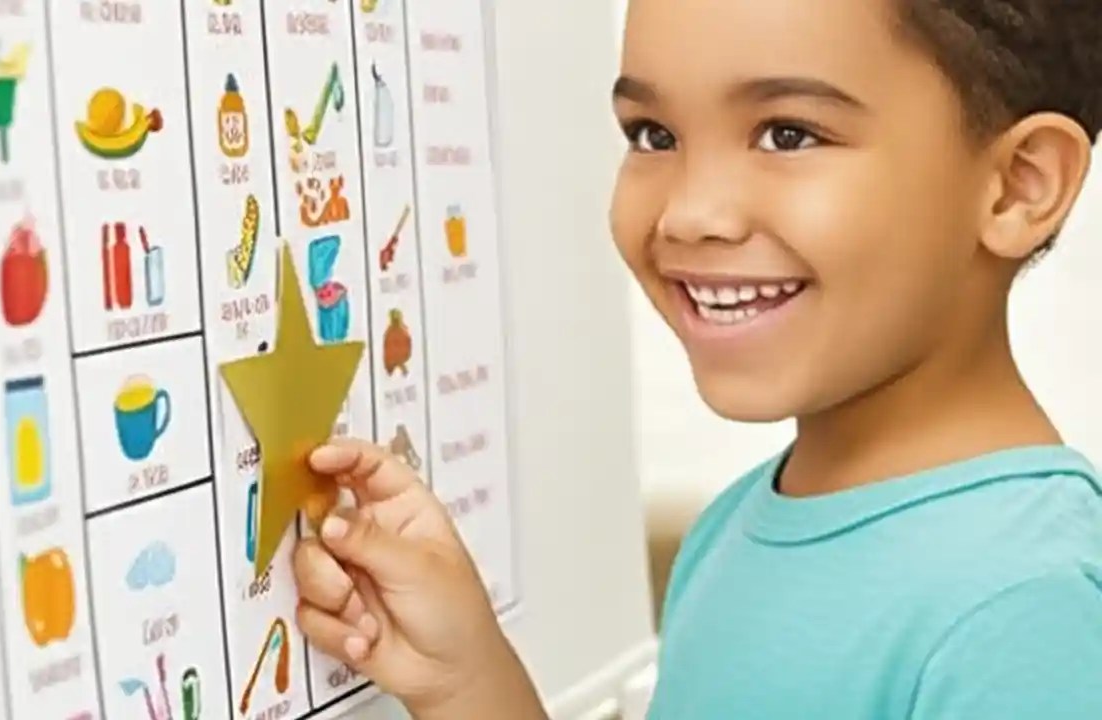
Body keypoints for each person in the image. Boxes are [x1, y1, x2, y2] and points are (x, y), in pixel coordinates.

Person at [291, 0, 1102, 717]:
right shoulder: (736, 527)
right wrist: (465, 676)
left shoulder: (1028, 609)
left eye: (788, 134)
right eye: (655, 135)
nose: (688, 213)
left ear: (1017, 187)